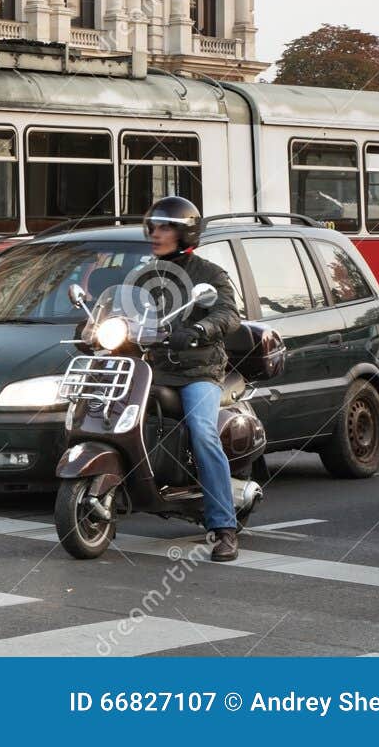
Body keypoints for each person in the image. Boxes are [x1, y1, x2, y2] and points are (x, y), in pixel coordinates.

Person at [137, 195, 243, 562]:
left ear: (184, 233)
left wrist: (198, 329)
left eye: (164, 226)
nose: (155, 233)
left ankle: (224, 527)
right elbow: (123, 307)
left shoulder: (209, 274)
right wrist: (94, 325)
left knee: (202, 430)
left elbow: (229, 313)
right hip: (154, 367)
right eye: (153, 225)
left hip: (199, 369)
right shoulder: (144, 273)